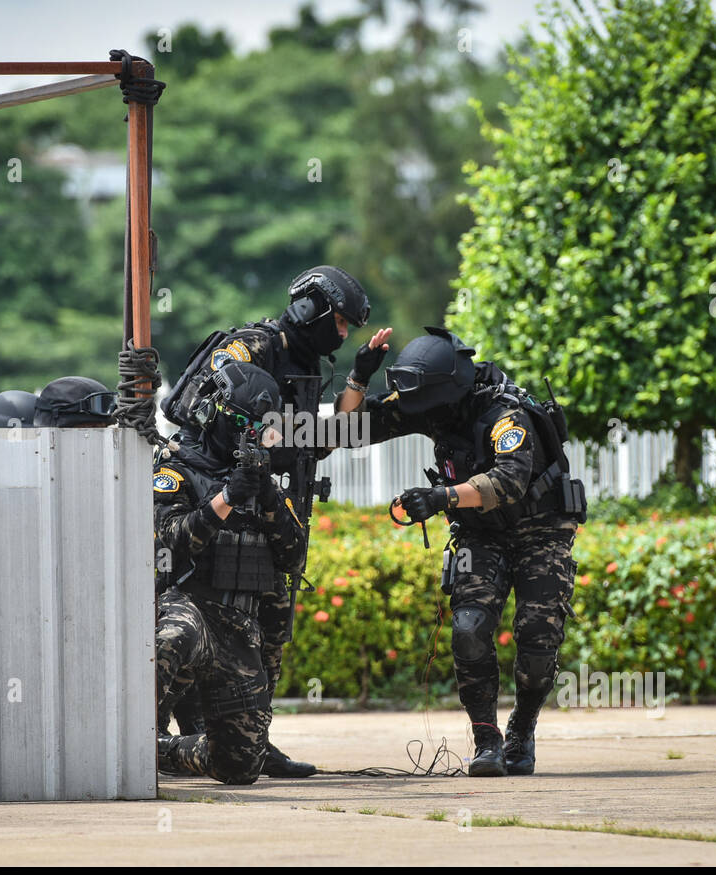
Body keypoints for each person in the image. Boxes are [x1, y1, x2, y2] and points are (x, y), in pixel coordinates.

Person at [159, 265, 391, 776]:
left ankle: (255, 739)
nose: (343, 334)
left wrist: (360, 376)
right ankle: (161, 738)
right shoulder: (250, 348)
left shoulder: (307, 366)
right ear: (312, 310)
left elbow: (332, 438)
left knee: (269, 634)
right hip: (217, 496)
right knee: (189, 628)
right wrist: (254, 460)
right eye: (341, 324)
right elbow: (206, 407)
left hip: (270, 506)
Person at [339, 327, 586, 776]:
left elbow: (509, 481)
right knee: (469, 629)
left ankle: (521, 730)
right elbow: (346, 430)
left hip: (540, 530)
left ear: (449, 392)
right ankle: (487, 740)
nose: (420, 417)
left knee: (537, 639)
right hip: (481, 533)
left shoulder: (505, 415)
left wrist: (441, 498)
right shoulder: (435, 404)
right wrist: (359, 375)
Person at [154, 363, 309, 783]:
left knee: (240, 767)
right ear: (214, 414)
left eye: (260, 428)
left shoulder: (265, 480)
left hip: (238, 626)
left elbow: (294, 559)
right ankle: (128, 738)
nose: (251, 435)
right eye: (243, 424)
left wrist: (269, 498)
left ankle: (157, 750)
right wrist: (226, 497)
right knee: (173, 637)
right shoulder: (175, 467)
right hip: (186, 606)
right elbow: (172, 541)